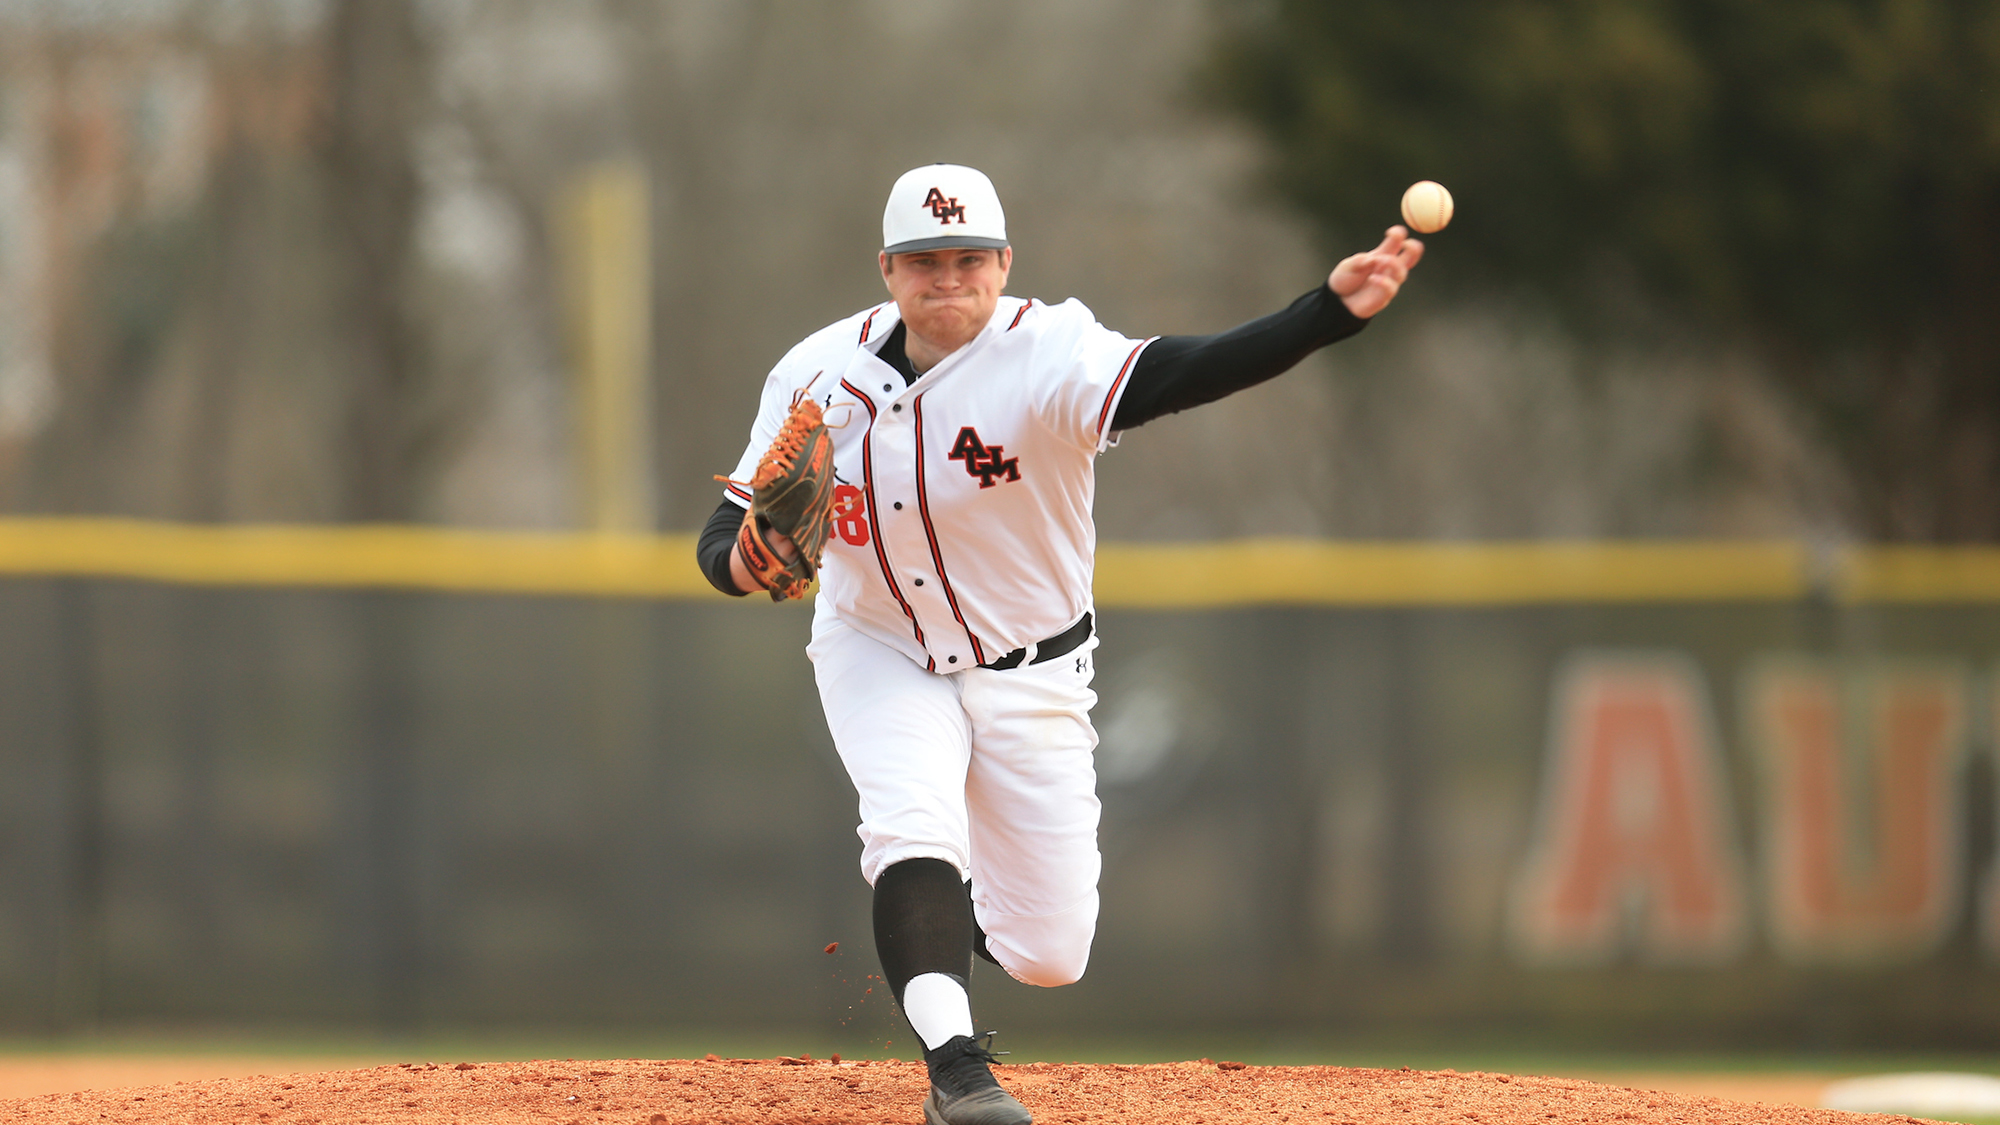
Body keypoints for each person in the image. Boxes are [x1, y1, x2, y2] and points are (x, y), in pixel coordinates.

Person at [698, 164, 1422, 1125]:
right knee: (914, 828)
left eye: (967, 258)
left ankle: (945, 925)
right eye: (923, 260)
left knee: (1051, 952)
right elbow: (721, 539)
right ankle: (958, 1072)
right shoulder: (817, 372)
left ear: (1003, 263)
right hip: (878, 647)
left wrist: (1325, 313)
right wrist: (743, 562)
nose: (946, 278)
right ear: (887, 269)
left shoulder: (1052, 353)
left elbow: (1185, 369)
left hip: (1032, 672)